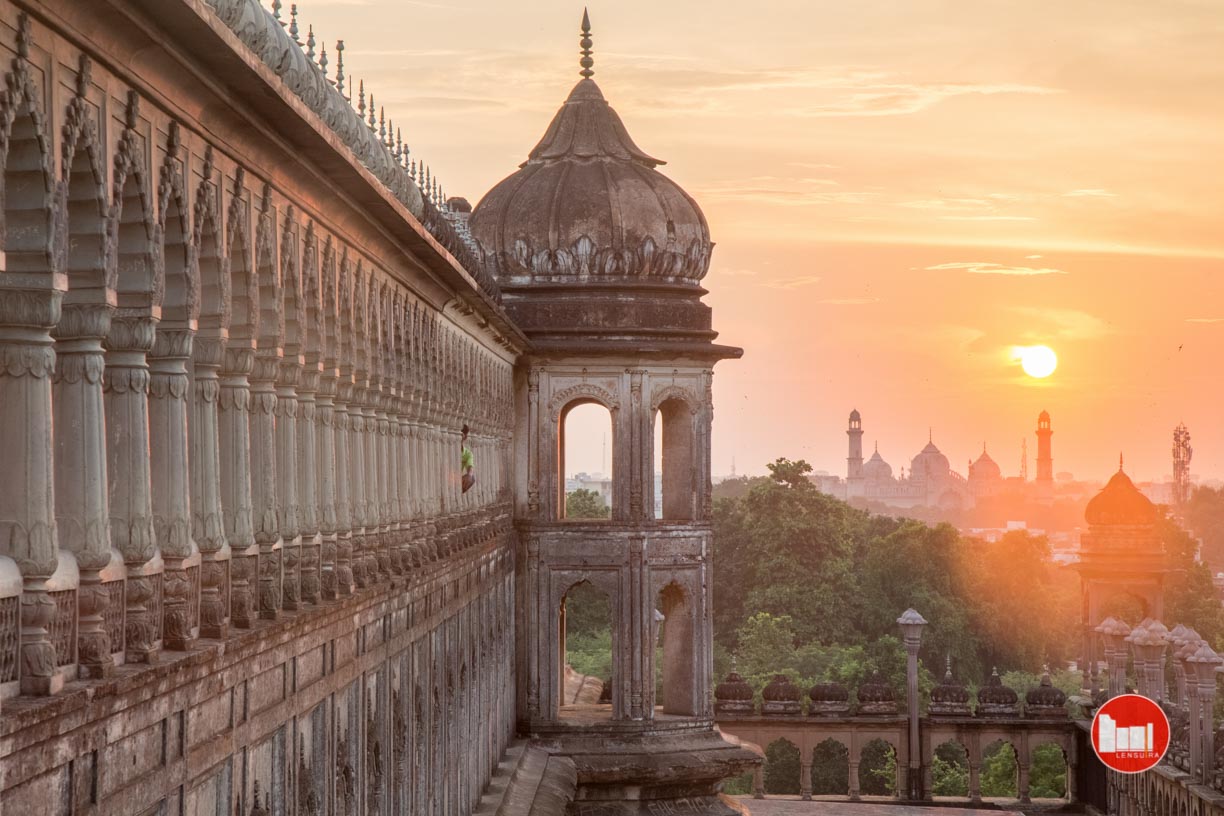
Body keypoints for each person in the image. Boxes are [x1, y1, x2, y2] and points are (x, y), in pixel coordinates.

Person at [461, 424, 475, 494]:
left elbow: (470, 467)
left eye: (461, 434)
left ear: (465, 437)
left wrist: (469, 474)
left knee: (472, 478)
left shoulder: (467, 453)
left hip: (452, 478)